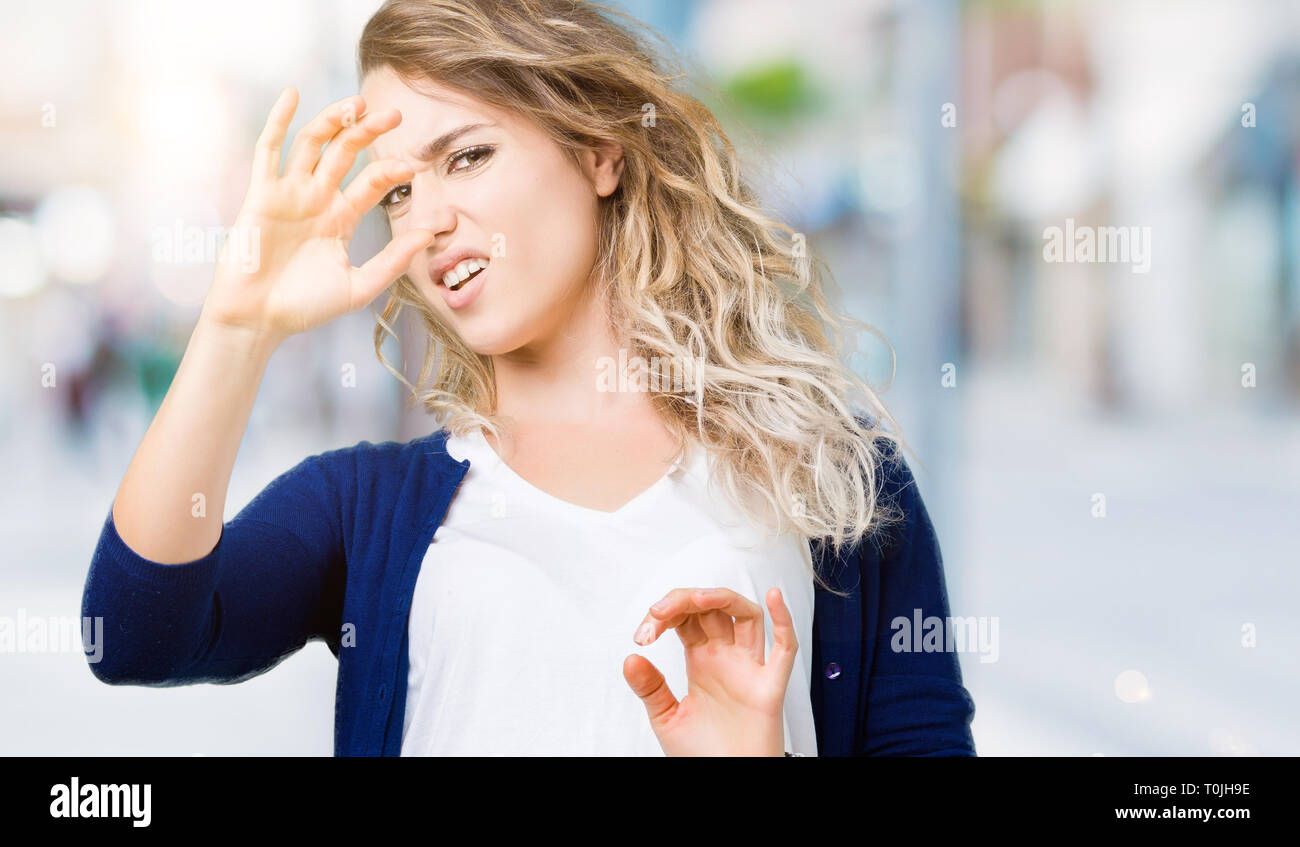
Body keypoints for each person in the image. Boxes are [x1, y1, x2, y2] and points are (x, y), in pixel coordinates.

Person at [82, 0, 976, 757]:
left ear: (598, 151)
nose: (428, 220)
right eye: (398, 192)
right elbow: (132, 635)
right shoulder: (366, 508)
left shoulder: (831, 480)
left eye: (467, 156)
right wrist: (238, 328)